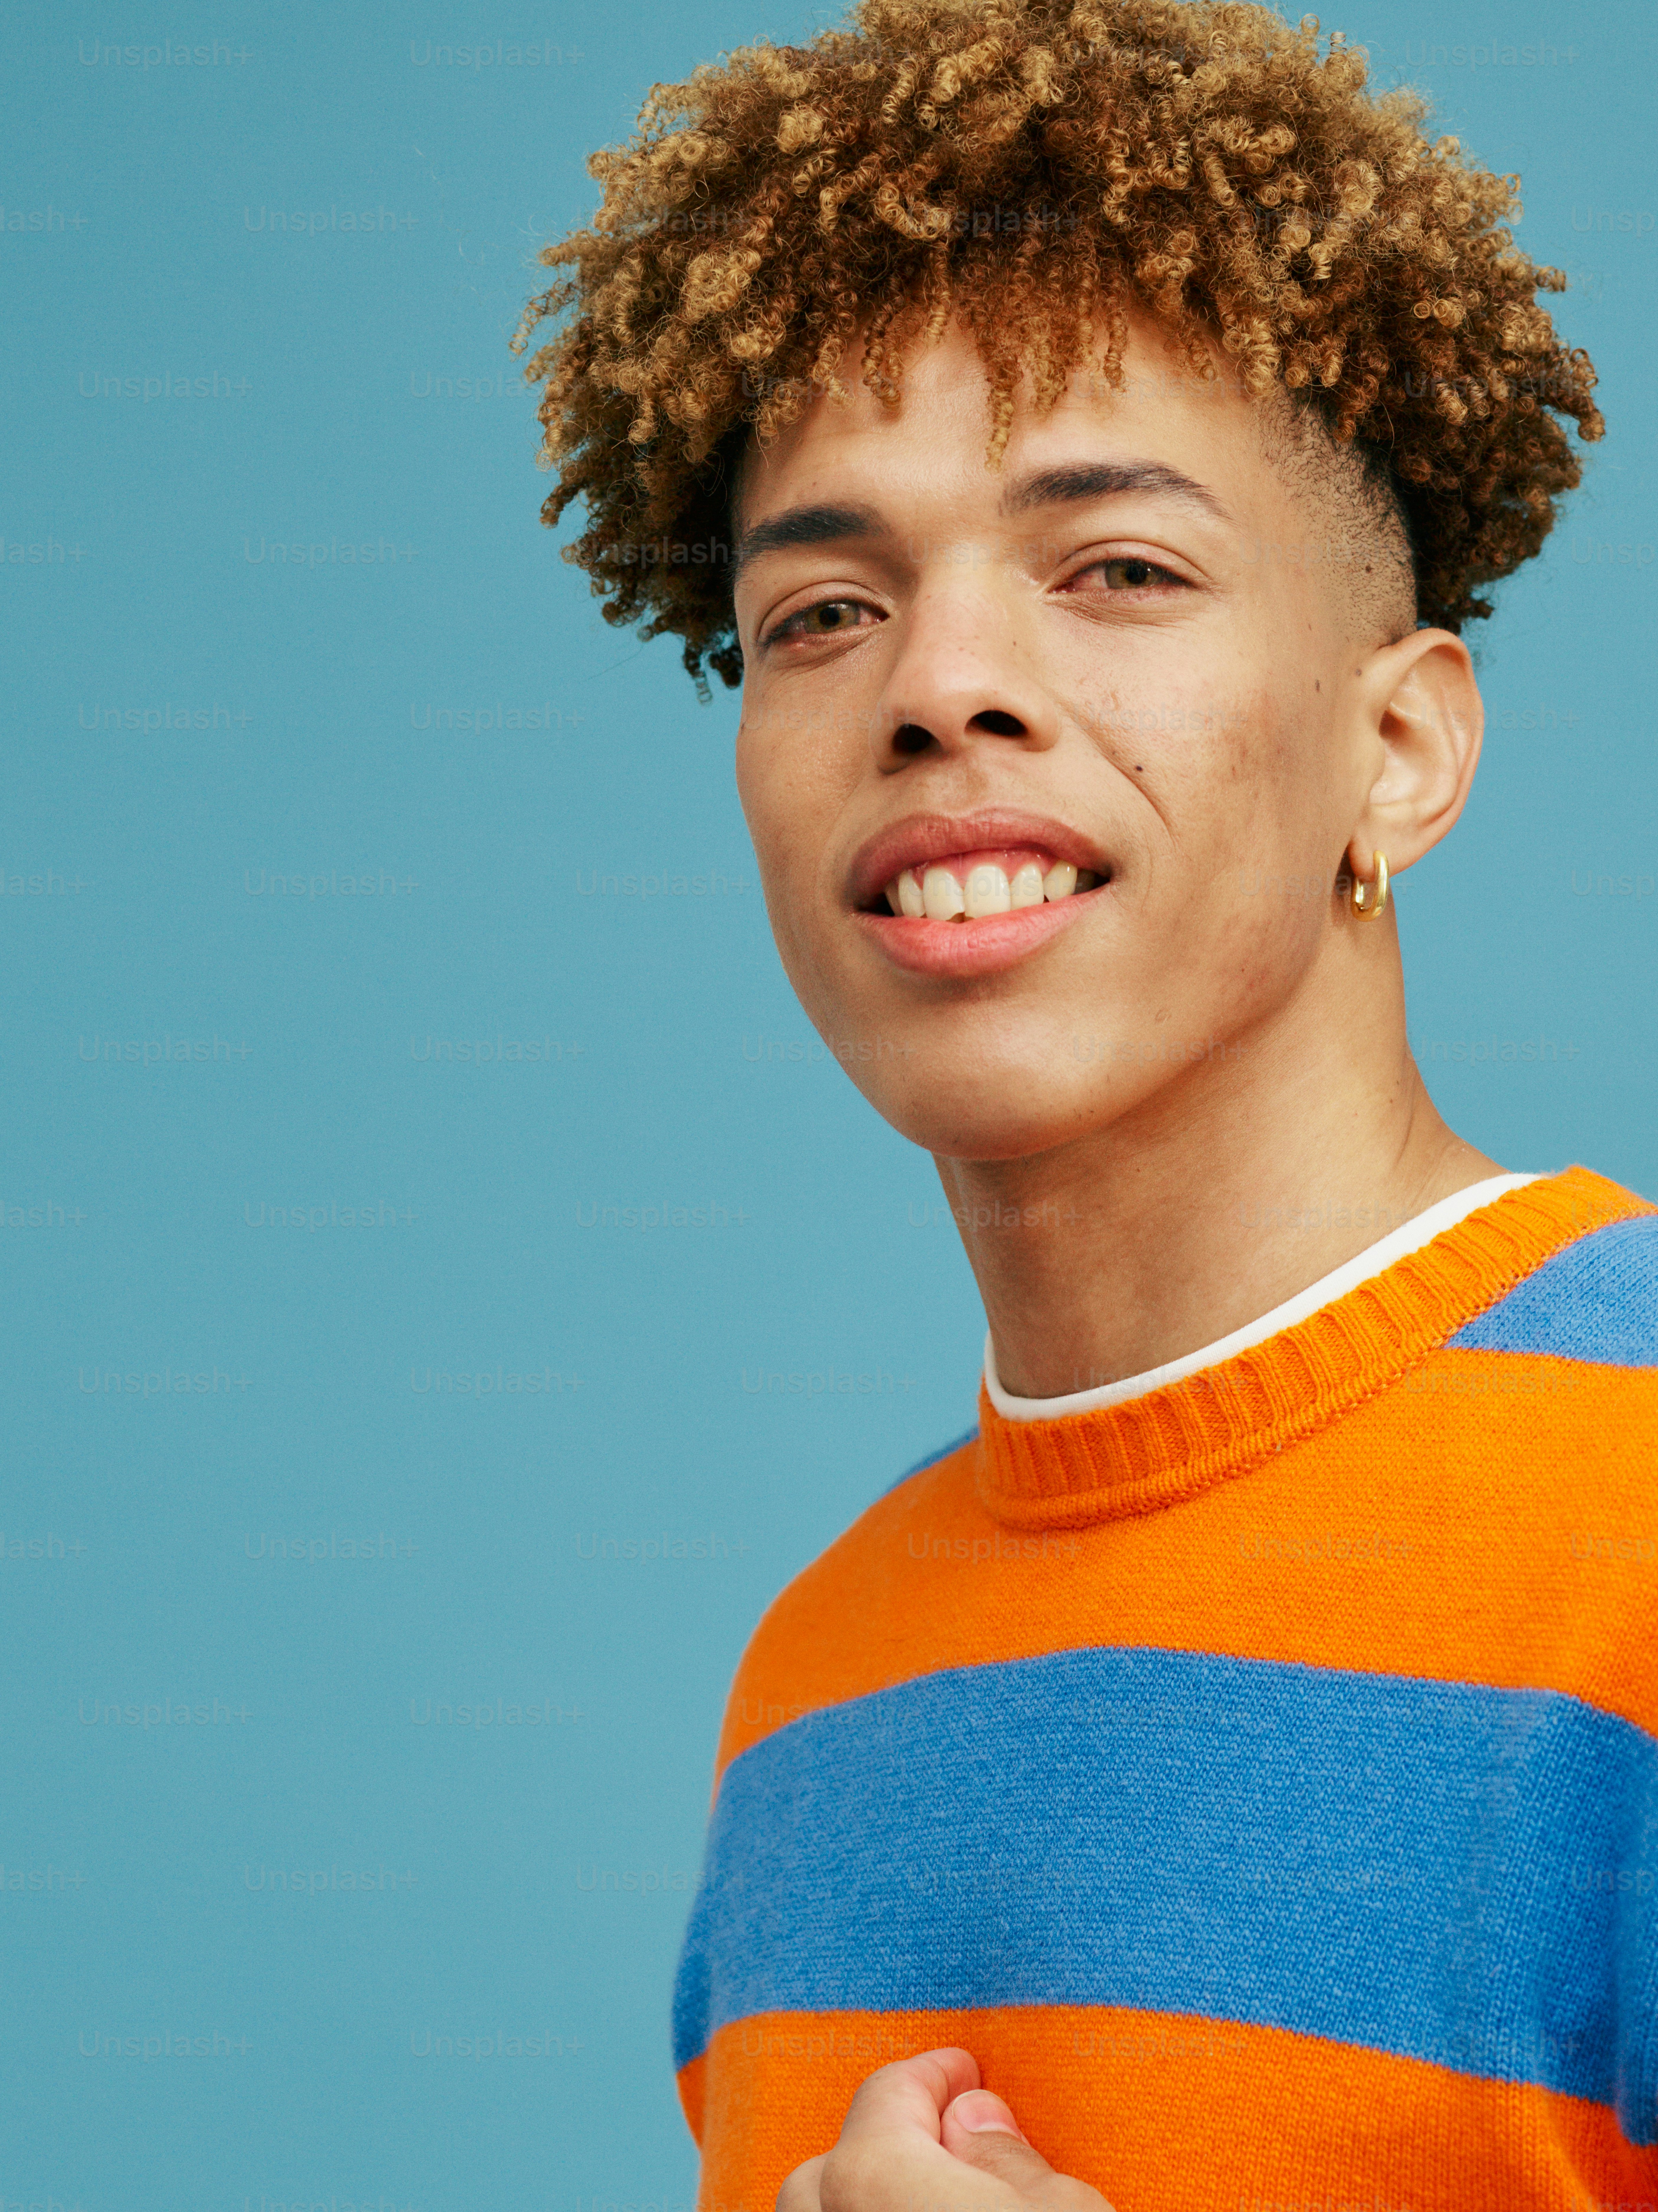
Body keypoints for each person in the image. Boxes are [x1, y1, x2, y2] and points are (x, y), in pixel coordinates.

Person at [516, 1, 1658, 2205]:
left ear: (1396, 752)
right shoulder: (815, 1691)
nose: (937, 686)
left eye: (1118, 568)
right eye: (820, 611)